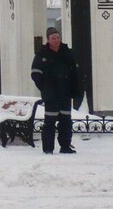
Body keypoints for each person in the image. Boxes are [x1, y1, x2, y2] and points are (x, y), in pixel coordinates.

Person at [30, 26, 81, 154]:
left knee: (66, 121)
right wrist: (45, 87)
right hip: (51, 95)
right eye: (53, 38)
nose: (56, 40)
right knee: (49, 122)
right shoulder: (42, 54)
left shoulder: (67, 52)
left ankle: (65, 146)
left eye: (58, 38)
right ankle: (48, 148)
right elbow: (35, 73)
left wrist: (75, 88)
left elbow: (75, 72)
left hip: (65, 93)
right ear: (48, 40)